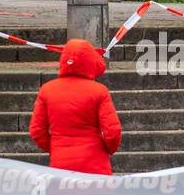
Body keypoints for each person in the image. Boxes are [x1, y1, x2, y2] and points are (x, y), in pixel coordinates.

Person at [29, 39, 122, 175]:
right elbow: (113, 131)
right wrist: (107, 149)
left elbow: (37, 131)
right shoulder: (99, 91)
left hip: (60, 165)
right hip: (95, 164)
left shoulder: (47, 90)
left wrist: (56, 147)